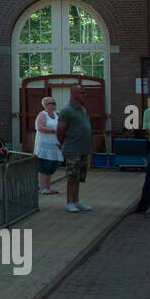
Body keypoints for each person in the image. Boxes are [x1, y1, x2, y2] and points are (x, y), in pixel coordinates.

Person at [55, 85, 93, 213]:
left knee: (79, 177)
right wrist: (63, 144)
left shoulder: (82, 109)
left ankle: (77, 201)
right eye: (82, 92)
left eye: (85, 92)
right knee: (72, 177)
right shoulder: (67, 111)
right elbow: (59, 130)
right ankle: (69, 202)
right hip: (73, 149)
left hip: (83, 149)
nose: (85, 95)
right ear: (74, 94)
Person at [33, 96, 62, 195]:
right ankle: (43, 188)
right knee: (44, 166)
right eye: (51, 103)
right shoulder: (42, 115)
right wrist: (53, 131)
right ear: (46, 105)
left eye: (54, 103)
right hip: (44, 145)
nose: (54, 105)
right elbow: (40, 127)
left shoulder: (56, 114)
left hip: (54, 145)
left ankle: (48, 187)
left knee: (51, 166)